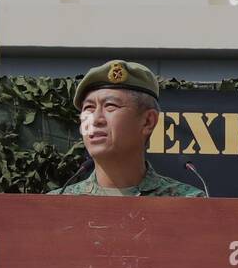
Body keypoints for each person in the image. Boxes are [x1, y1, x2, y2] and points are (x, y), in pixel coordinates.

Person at [50, 60, 203, 198]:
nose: (96, 119)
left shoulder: (189, 203)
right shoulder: (56, 205)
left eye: (110, 106)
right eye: (89, 108)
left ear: (148, 121)